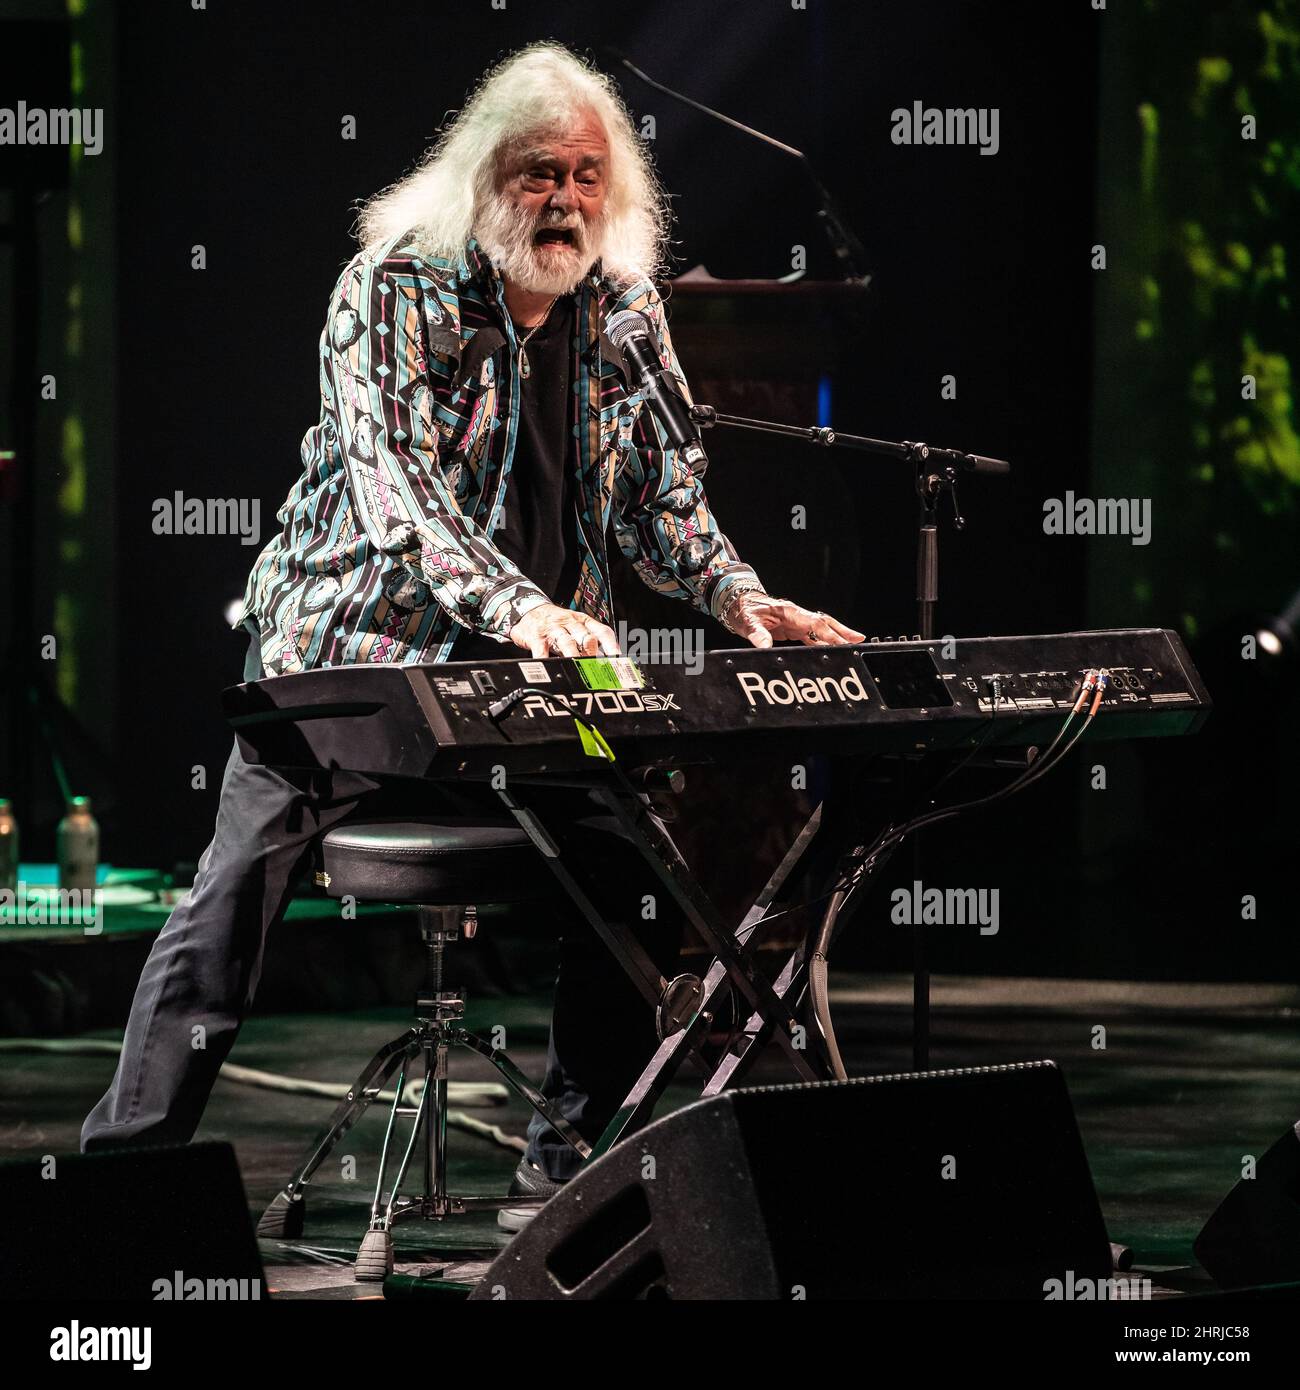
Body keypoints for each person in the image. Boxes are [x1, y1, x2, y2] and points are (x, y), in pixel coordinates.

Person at [82, 42, 863, 1233]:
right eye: (538, 172)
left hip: (532, 666)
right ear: (483, 179)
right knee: (231, 896)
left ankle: (568, 1154)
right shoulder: (391, 285)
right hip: (346, 655)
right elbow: (399, 497)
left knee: (631, 853)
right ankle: (119, 1175)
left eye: (588, 177)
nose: (564, 201)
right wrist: (517, 611)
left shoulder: (625, 308)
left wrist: (739, 598)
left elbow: (663, 500)